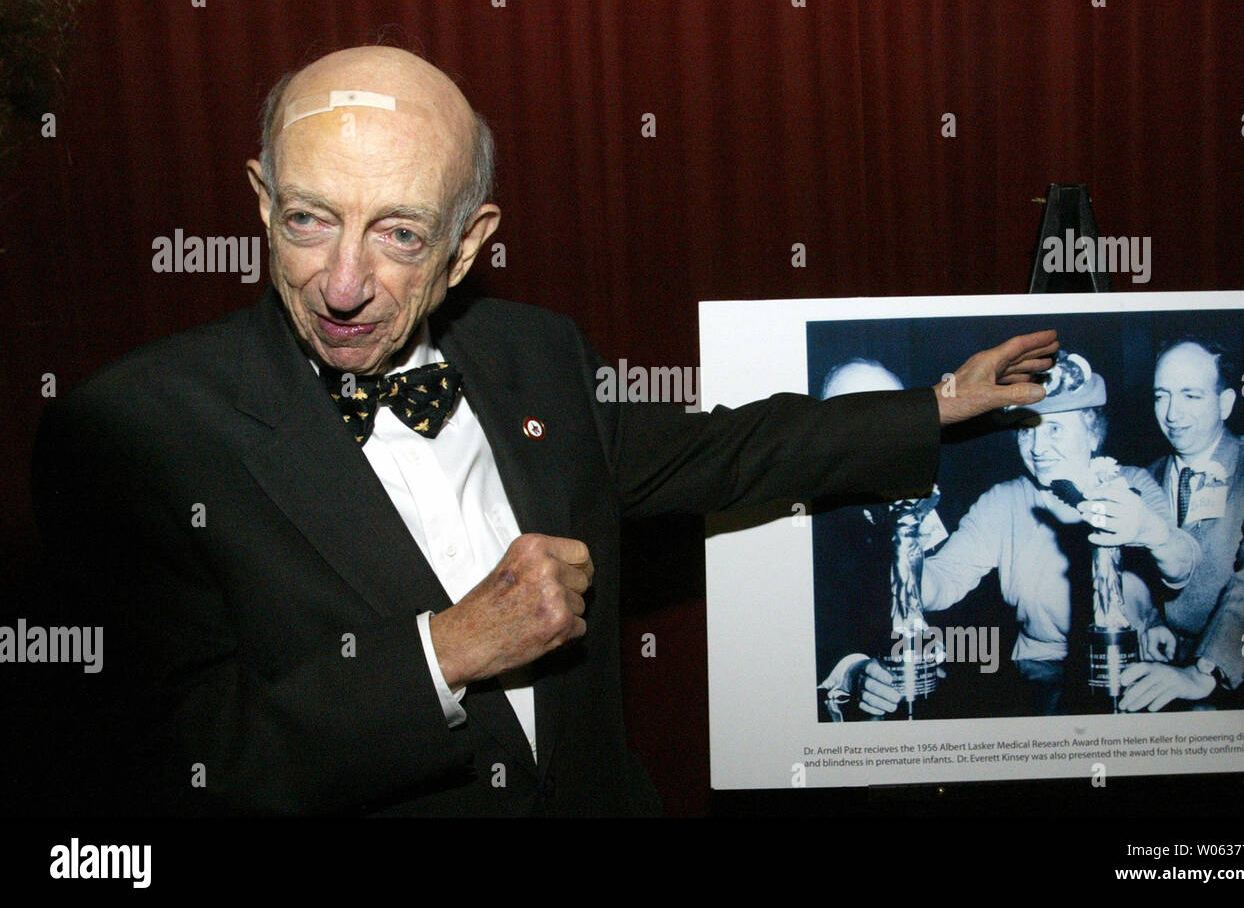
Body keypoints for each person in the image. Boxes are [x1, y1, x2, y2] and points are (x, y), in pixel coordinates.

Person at [31, 46, 1058, 816]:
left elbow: (717, 452)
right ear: (259, 202)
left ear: (470, 243)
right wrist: (447, 650)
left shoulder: (535, 355)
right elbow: (166, 766)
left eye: (399, 232)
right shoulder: (128, 435)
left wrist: (935, 404)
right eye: (308, 219)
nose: (342, 284)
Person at [907, 351, 1199, 712]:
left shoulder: (1132, 485)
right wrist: (903, 554)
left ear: (1093, 433)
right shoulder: (1004, 501)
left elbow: (1183, 568)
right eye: (1026, 431)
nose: (1039, 448)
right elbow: (944, 581)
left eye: (1056, 429)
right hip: (1038, 670)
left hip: (1134, 665)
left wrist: (1150, 530)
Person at [1120, 336, 1244, 712]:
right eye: (1161, 395)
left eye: (1191, 395)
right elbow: (1143, 572)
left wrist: (1205, 671)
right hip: (1171, 675)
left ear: (1225, 403)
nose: (1172, 414)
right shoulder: (1146, 477)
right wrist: (1154, 620)